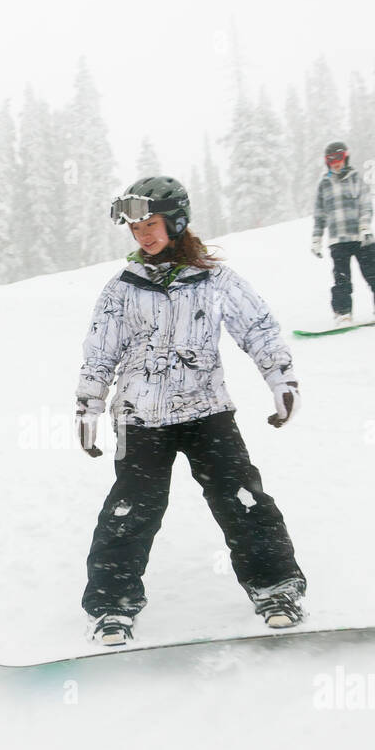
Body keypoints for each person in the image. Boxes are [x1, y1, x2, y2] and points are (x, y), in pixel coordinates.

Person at [75, 174, 306, 646]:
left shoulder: (215, 280)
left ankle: (275, 588)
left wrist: (280, 378)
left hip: (206, 412)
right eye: (135, 228)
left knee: (241, 499)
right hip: (141, 417)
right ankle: (112, 607)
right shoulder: (122, 288)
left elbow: (258, 329)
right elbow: (101, 352)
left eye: (151, 224)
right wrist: (88, 407)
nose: (143, 235)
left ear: (177, 221)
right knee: (130, 511)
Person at [312, 140, 375, 323]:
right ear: (327, 162)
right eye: (332, 159)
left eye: (339, 158)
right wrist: (316, 239)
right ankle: (343, 313)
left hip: (362, 237)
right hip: (338, 240)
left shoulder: (356, 178)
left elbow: (366, 205)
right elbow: (320, 215)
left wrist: (365, 225)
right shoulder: (324, 184)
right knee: (341, 280)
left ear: (346, 158)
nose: (336, 162)